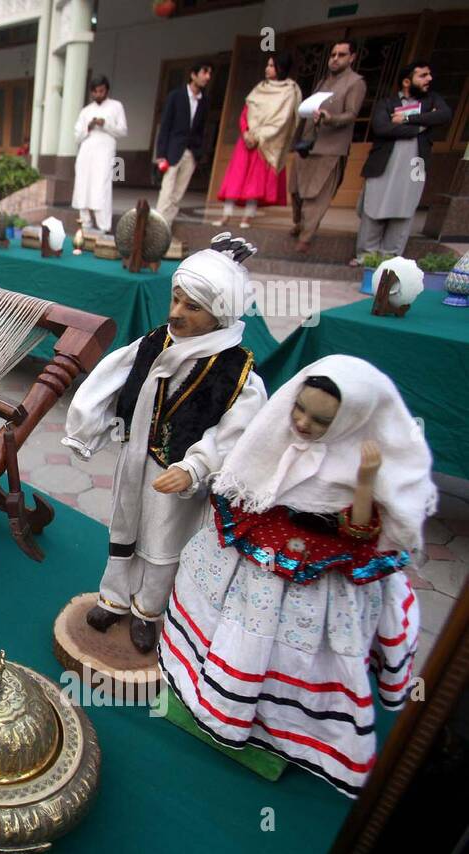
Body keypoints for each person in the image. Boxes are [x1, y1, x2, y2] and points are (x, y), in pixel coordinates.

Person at [158, 356, 434, 797]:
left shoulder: (362, 455)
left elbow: (362, 530)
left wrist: (364, 480)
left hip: (323, 572)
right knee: (237, 629)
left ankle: (279, 727)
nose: (302, 423)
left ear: (351, 419)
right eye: (299, 410)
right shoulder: (277, 434)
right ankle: (221, 696)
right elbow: (249, 474)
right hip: (263, 551)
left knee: (294, 651)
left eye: (320, 419)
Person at [63, 234, 267, 654]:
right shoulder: (156, 343)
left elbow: (237, 432)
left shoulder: (234, 370)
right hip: (135, 459)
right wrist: (87, 426)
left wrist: (195, 466)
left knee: (162, 545)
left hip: (177, 478)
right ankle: (113, 598)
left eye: (192, 307)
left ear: (219, 314)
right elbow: (111, 376)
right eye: (175, 299)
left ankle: (147, 611)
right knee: (124, 530)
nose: (175, 313)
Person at [352, 62, 451, 265]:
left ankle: (390, 259)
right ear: (407, 81)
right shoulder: (387, 103)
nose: (429, 79)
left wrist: (406, 118)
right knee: (373, 209)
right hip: (384, 164)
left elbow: (444, 115)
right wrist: (419, 127)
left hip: (414, 167)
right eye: (423, 75)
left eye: (429, 75)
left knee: (404, 211)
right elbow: (381, 128)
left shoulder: (432, 100)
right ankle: (366, 257)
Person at [289, 40, 366, 254]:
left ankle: (306, 237)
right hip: (307, 145)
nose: (335, 58)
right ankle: (301, 224)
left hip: (330, 148)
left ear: (351, 58)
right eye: (333, 54)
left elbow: (351, 114)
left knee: (316, 195)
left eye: (341, 55)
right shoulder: (324, 81)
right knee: (296, 190)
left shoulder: (355, 82)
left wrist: (330, 118)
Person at [213, 51, 301, 229]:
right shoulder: (260, 87)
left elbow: (283, 121)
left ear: (280, 68)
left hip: (266, 144)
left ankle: (247, 218)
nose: (267, 69)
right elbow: (245, 112)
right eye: (267, 65)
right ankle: (226, 216)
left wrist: (259, 136)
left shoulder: (289, 91)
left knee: (256, 182)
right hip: (247, 141)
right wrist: (246, 132)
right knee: (235, 178)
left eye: (271, 65)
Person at [154, 61, 213, 226]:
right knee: (167, 191)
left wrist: (200, 151)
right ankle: (157, 228)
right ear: (193, 75)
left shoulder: (205, 101)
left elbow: (202, 129)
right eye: (204, 72)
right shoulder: (176, 96)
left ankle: (167, 227)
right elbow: (165, 125)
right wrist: (160, 154)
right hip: (173, 150)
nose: (207, 77)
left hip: (191, 152)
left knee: (178, 194)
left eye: (209, 74)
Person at [72, 75, 128, 234]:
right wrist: (88, 127)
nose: (98, 94)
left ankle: (104, 226)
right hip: (86, 151)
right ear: (91, 93)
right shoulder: (86, 111)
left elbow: (123, 130)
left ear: (107, 90)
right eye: (95, 92)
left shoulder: (116, 106)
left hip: (105, 151)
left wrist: (106, 124)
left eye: (101, 91)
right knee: (83, 185)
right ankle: (85, 223)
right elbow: (76, 136)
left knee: (101, 186)